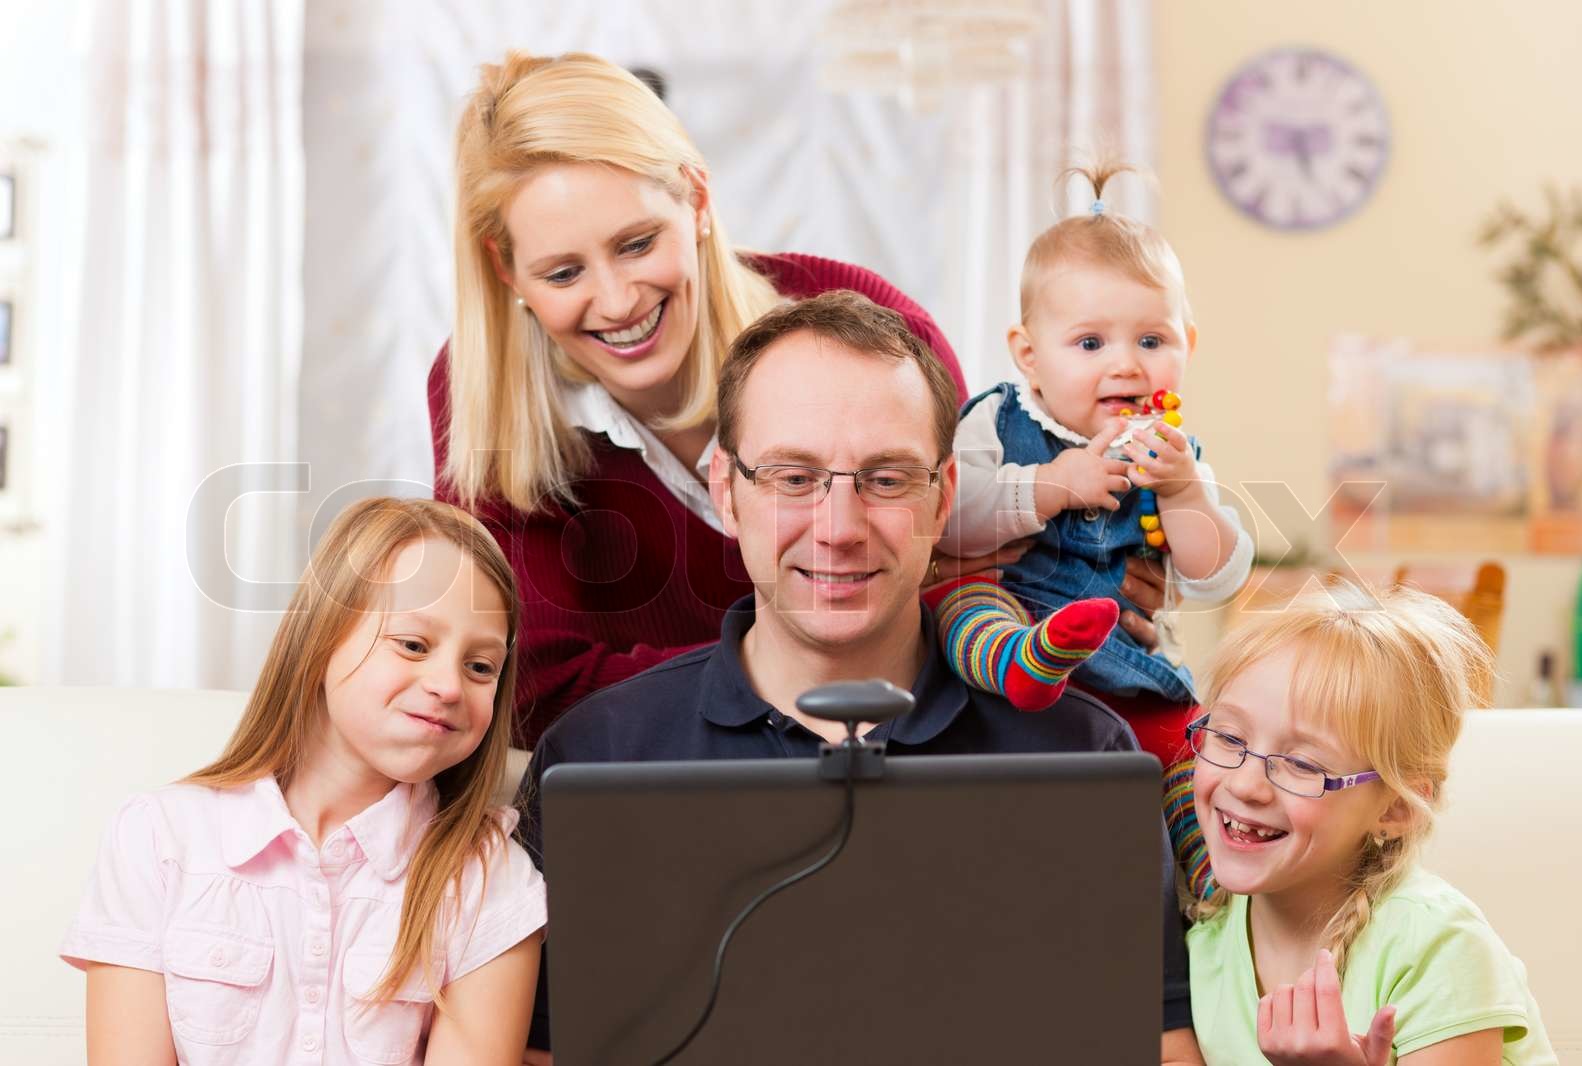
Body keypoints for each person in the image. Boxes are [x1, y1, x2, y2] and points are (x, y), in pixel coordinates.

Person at [518, 291, 1202, 1061]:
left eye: (885, 479)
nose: (838, 530)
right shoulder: (596, 757)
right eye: (791, 476)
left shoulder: (1083, 758)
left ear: (944, 499)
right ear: (725, 489)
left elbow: (1159, 1048)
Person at [429, 51, 1172, 749]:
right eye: (563, 273)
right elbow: (530, 684)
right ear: (506, 268)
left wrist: (1106, 559)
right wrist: (787, 669)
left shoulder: (867, 327)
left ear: (696, 198)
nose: (618, 301)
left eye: (636, 244)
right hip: (666, 774)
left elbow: (974, 564)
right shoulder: (486, 399)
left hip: (917, 744)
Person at [60, 498, 547, 1065]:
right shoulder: (158, 837)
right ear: (319, 640)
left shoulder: (489, 877)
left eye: (480, 666)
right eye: (413, 645)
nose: (448, 684)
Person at [933, 163, 1252, 767]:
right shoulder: (998, 423)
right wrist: (1051, 484)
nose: (1127, 365)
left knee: (1193, 755)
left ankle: (1203, 850)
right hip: (1005, 645)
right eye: (1090, 343)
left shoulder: (1172, 455)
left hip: (1122, 662)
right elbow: (946, 522)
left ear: (1189, 344)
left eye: (1152, 341)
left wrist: (1184, 494)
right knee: (963, 604)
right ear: (1028, 355)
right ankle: (1025, 659)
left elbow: (1219, 578)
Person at [1184, 579, 1556, 1064]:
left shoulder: (1439, 946)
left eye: (1303, 765)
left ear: (1395, 810)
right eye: (1230, 739)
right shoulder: (1203, 944)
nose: (1247, 785)